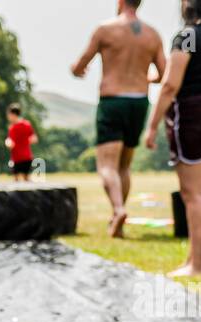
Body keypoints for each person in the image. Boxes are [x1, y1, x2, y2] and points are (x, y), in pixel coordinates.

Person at [145, 0, 201, 278]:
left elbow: (171, 84)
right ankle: (194, 259)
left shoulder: (186, 37)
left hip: (192, 113)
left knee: (193, 194)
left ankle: (197, 265)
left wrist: (152, 126)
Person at [71, 0, 165, 237]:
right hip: (139, 101)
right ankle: (117, 219)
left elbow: (81, 64)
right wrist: (145, 78)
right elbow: (163, 73)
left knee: (107, 165)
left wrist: (76, 69)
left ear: (120, 1)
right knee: (125, 165)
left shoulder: (105, 29)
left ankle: (118, 209)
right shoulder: (152, 34)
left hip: (113, 100)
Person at [5, 104, 38, 181]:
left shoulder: (12, 128)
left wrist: (7, 142)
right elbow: (34, 139)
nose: (8, 117)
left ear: (13, 114)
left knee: (16, 182)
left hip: (17, 158)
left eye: (8, 115)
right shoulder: (27, 124)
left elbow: (10, 144)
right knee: (27, 181)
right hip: (27, 157)